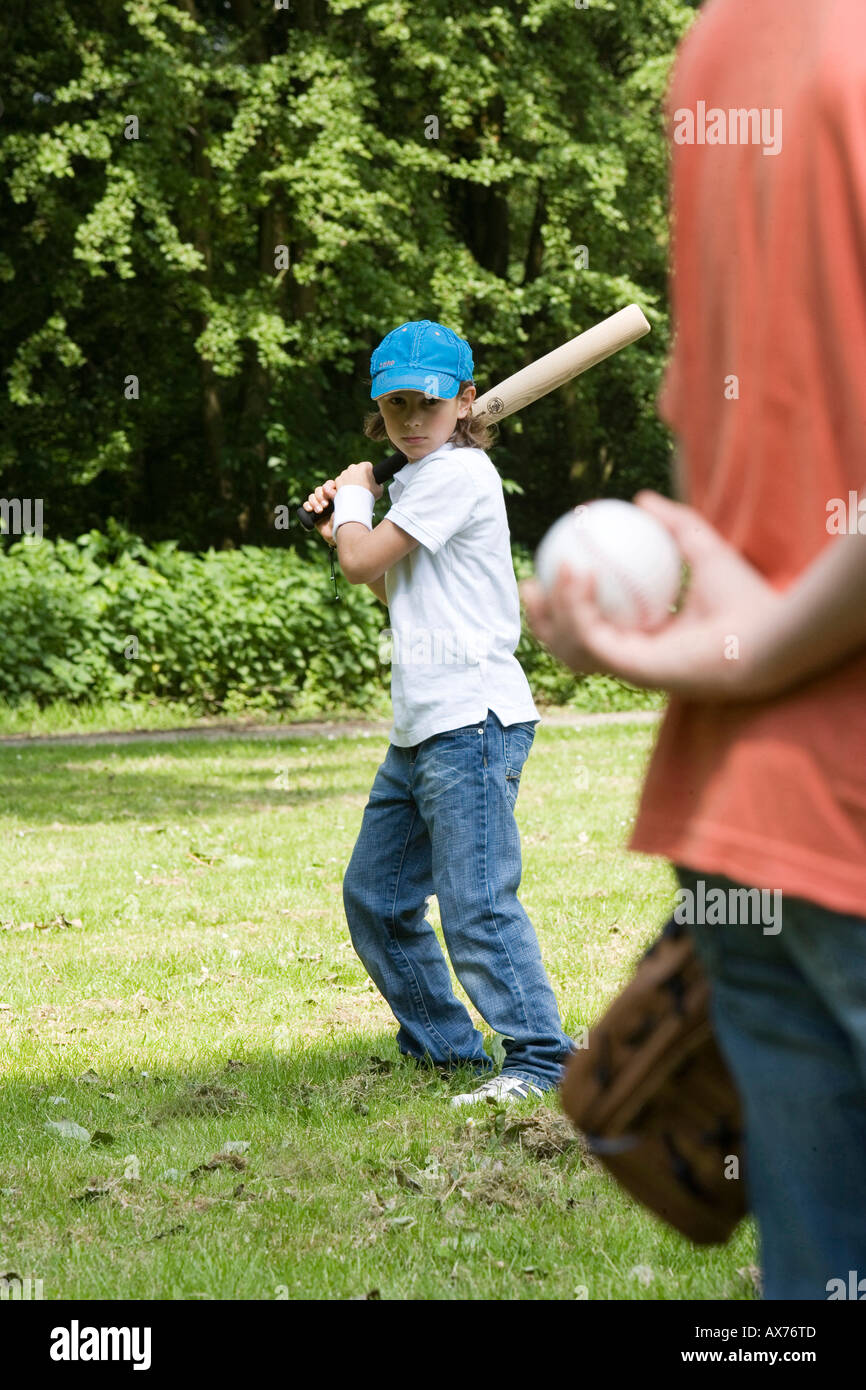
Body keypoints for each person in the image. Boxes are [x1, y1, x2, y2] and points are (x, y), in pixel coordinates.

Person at [521, 0, 866, 1300]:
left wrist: (694, 621)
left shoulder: (724, 41)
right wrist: (745, 646)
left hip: (751, 829)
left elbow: (709, 421)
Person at [303, 319, 572, 1106]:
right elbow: (389, 583)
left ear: (465, 399)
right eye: (395, 408)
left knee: (476, 901)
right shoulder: (420, 484)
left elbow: (363, 559)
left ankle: (540, 1060)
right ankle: (448, 1052)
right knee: (377, 897)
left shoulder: (459, 475)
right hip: (421, 725)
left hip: (473, 720)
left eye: (429, 402)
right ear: (379, 410)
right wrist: (342, 523)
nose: (413, 419)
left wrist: (354, 497)